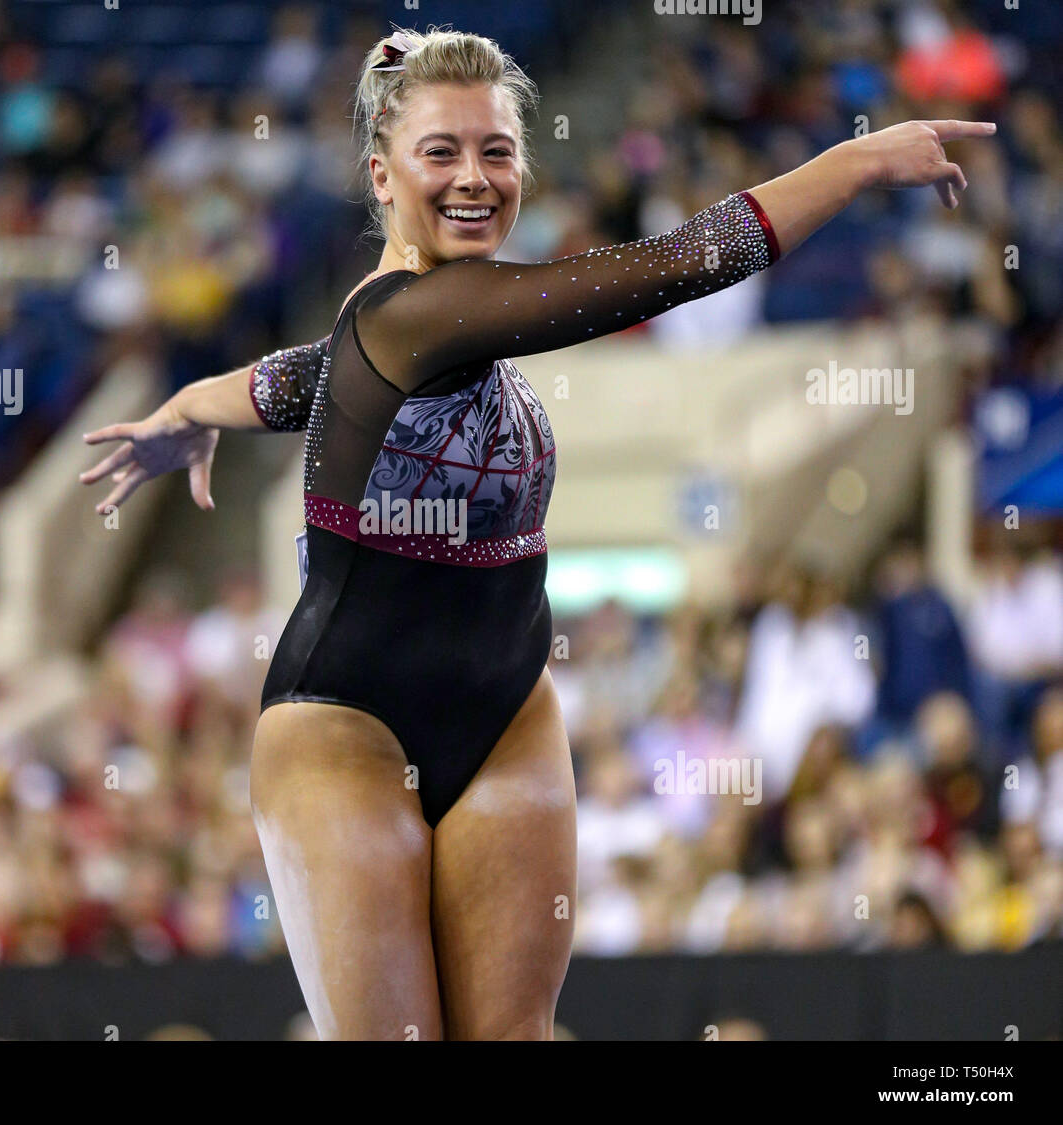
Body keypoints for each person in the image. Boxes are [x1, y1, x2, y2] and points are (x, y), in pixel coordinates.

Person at [80, 27, 994, 1039]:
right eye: (441, 152)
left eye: (496, 151)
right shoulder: (415, 312)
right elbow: (680, 262)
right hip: (344, 723)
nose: (474, 178)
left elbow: (302, 375)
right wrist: (860, 159)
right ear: (381, 176)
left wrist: (193, 409)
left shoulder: (404, 325)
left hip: (508, 714)